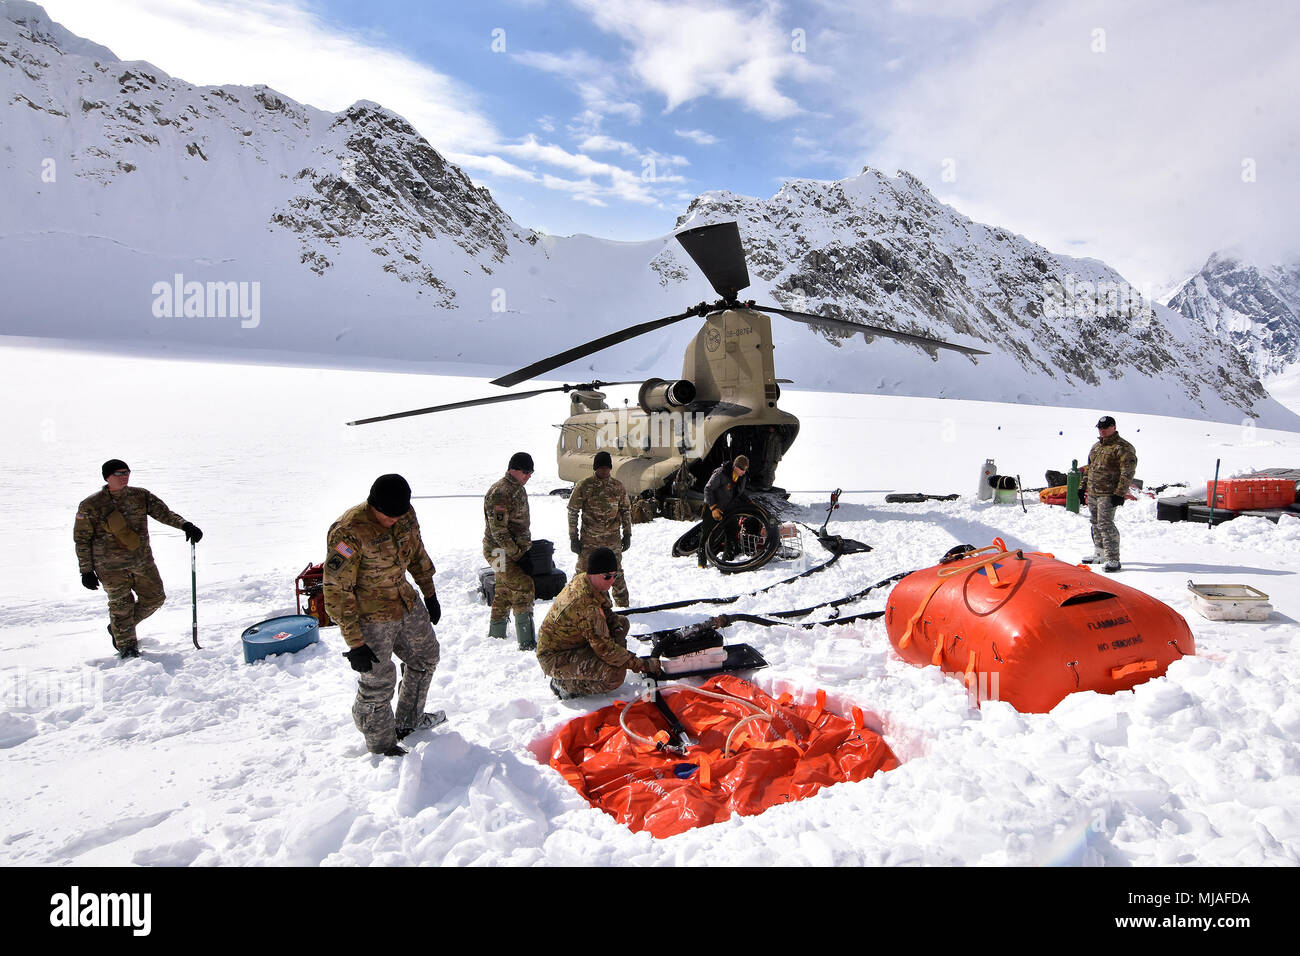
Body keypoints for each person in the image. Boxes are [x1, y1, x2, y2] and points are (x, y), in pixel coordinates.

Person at [324, 474, 443, 757]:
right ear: (373, 505)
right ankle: (381, 747)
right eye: (387, 516)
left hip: (403, 600)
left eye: (398, 515)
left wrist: (429, 593)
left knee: (426, 658)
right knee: (378, 682)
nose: (393, 520)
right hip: (369, 615)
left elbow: (417, 553)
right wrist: (355, 643)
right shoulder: (348, 532)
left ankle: (407, 722)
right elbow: (336, 591)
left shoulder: (404, 513)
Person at [74, 459, 202, 658]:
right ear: (107, 477)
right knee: (121, 606)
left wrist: (185, 525)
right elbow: (82, 539)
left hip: (141, 561)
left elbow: (164, 513)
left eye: (126, 472)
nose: (124, 476)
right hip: (109, 567)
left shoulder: (140, 495)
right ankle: (127, 648)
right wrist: (86, 570)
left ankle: (118, 628)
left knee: (155, 597)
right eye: (118, 473)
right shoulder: (91, 504)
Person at [536, 547, 661, 699]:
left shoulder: (590, 582)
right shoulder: (584, 603)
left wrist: (615, 628)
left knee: (621, 623)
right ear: (593, 573)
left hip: (575, 642)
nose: (612, 581)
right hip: (555, 657)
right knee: (615, 675)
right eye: (608, 576)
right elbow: (604, 648)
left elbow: (605, 610)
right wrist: (641, 664)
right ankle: (563, 684)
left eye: (615, 575)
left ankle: (614, 660)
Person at [483, 451, 536, 649]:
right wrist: (519, 555)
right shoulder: (501, 492)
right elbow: (499, 531)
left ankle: (496, 637)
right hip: (498, 552)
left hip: (511, 550)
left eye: (531, 472)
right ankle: (527, 642)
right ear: (513, 469)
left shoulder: (517, 488)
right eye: (526, 471)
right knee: (523, 586)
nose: (529, 476)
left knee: (504, 590)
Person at [567, 450, 633, 607]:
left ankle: (623, 606)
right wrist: (573, 538)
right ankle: (574, 603)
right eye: (600, 468)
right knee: (583, 572)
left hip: (612, 539)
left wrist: (628, 534)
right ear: (595, 468)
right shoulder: (585, 485)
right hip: (590, 539)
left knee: (615, 572)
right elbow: (573, 511)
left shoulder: (617, 486)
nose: (603, 471)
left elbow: (625, 510)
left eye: (606, 468)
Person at [1082, 415, 1138, 572]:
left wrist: (1119, 493)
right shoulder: (1096, 447)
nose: (1102, 431)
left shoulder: (1123, 448)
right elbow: (1089, 468)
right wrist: (1082, 487)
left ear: (1113, 427)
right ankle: (1099, 553)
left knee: (1106, 524)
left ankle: (1113, 558)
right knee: (1094, 523)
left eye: (1105, 428)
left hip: (1109, 493)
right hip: (1093, 491)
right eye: (1100, 428)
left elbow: (1127, 472)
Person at [698, 454, 750, 568]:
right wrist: (713, 508)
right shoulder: (721, 473)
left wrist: (750, 504)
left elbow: (739, 494)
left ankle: (727, 560)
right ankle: (701, 562)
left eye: (745, 470)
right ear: (735, 467)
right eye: (742, 469)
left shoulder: (741, 478)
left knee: (732, 531)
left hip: (728, 510)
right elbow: (708, 489)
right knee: (706, 535)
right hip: (713, 508)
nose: (743, 472)